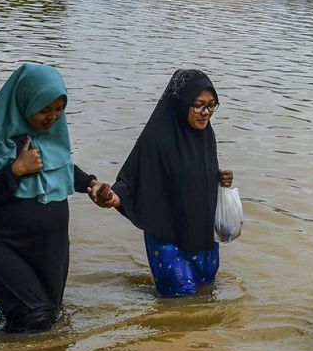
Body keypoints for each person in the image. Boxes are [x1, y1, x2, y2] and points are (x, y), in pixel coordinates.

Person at [0, 63, 107, 332]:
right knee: (34, 320)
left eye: (58, 109)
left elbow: (62, 167)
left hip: (52, 251)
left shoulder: (54, 136)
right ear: (24, 102)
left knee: (49, 318)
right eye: (44, 110)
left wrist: (91, 184)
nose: (53, 117)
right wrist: (14, 171)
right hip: (6, 247)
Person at [100, 69, 233, 297]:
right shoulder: (157, 139)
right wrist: (113, 197)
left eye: (212, 105)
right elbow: (133, 179)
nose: (206, 113)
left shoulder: (206, 137)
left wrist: (219, 178)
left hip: (202, 237)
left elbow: (192, 177)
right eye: (199, 105)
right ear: (181, 104)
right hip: (167, 237)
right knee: (180, 297)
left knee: (206, 292)